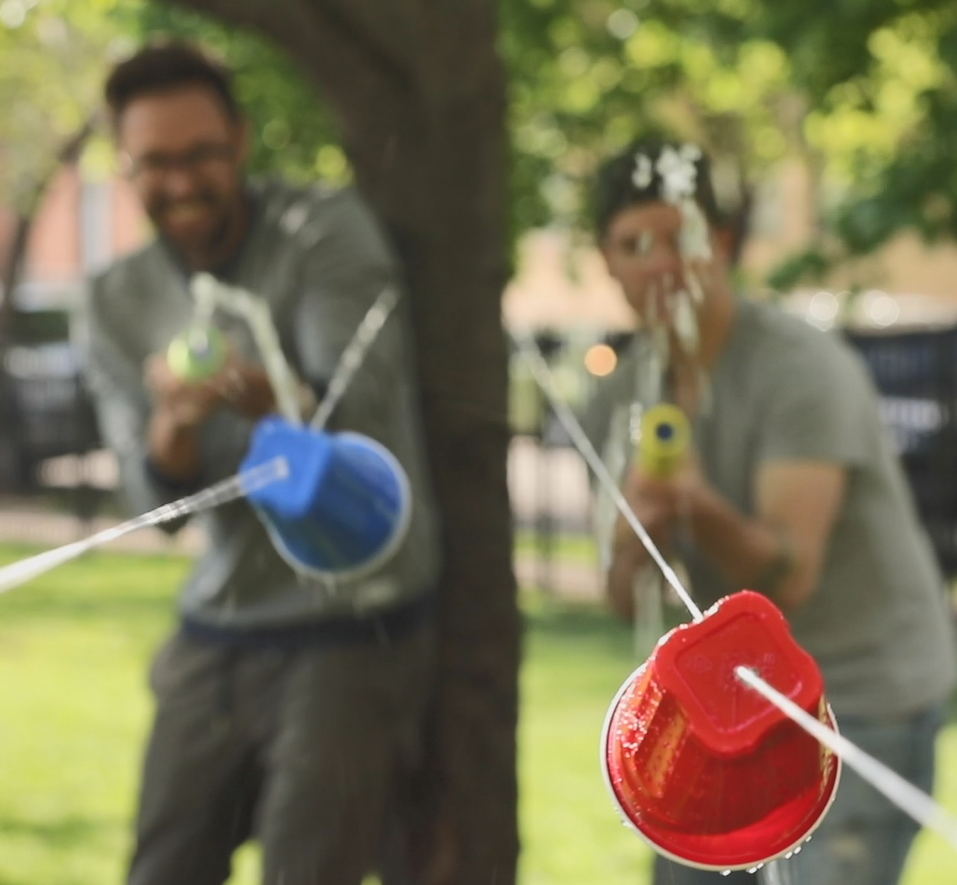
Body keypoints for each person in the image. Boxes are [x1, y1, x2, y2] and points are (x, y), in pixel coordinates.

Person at [75, 42, 442, 885]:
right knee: (161, 864)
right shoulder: (113, 297)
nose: (181, 182)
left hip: (351, 619)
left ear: (239, 141)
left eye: (201, 154)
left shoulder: (321, 229)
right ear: (125, 164)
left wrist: (257, 393)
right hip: (219, 621)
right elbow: (150, 497)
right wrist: (174, 419)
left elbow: (359, 415)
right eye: (154, 163)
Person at [583, 137, 956, 885]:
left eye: (676, 237)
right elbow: (623, 596)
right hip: (716, 705)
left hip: (857, 697)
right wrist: (636, 536)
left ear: (719, 243)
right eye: (633, 244)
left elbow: (789, 574)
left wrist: (693, 502)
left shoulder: (800, 370)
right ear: (607, 261)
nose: (657, 262)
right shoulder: (621, 394)